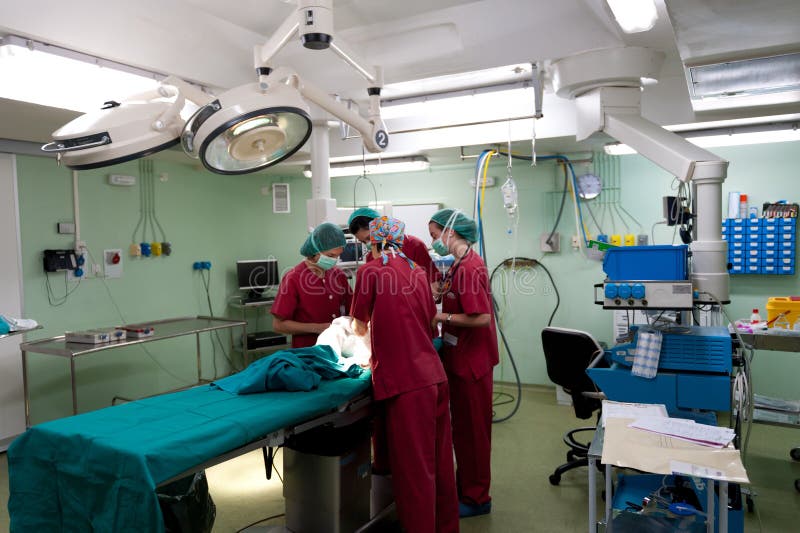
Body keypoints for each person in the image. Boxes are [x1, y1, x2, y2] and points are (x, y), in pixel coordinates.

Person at [351, 216, 459, 533]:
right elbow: (429, 324)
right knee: (439, 465)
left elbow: (359, 325)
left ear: (374, 241)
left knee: (414, 473)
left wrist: (364, 339)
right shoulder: (417, 271)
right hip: (435, 378)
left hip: (407, 385)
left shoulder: (370, 271)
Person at [429, 208, 499, 518]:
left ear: (451, 233)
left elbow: (482, 317)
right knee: (463, 432)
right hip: (461, 358)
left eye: (435, 236)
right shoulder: (458, 264)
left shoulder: (471, 267)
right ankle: (467, 487)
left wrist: (441, 316)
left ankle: (477, 499)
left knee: (472, 434)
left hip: (473, 363)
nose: (435, 243)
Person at [271, 222, 352, 348]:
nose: (334, 260)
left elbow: (352, 309)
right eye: (330, 256)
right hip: (308, 351)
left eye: (337, 256)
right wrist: (318, 328)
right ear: (314, 251)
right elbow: (278, 325)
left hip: (339, 348)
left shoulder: (338, 275)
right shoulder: (294, 278)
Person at [348, 207, 438, 282]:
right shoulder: (371, 257)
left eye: (369, 238)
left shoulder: (414, 245)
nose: (369, 244)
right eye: (364, 242)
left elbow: (432, 281)